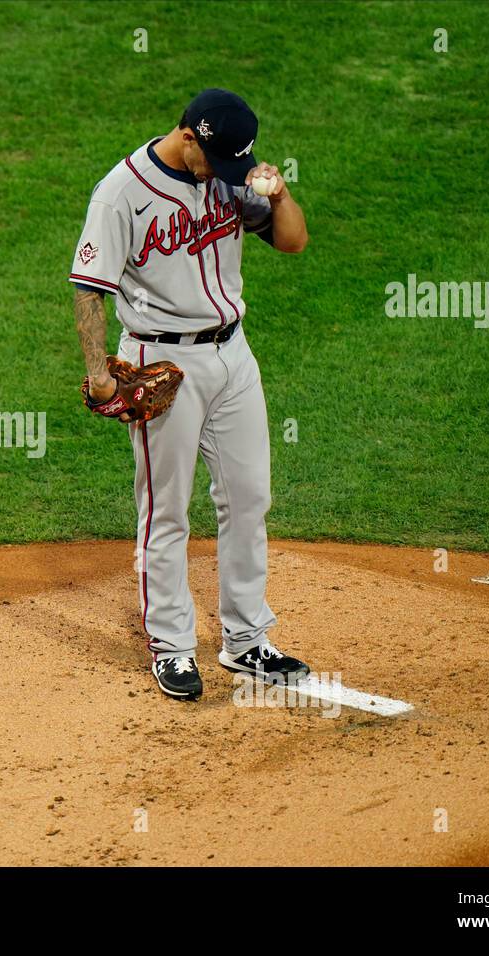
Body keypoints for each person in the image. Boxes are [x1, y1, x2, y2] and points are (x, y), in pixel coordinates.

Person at [70, 88, 311, 700]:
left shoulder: (228, 176)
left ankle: (246, 639)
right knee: (166, 510)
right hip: (162, 358)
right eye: (219, 160)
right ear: (188, 136)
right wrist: (101, 372)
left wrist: (279, 194)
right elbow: (88, 288)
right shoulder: (120, 192)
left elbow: (292, 241)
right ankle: (172, 647)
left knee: (250, 496)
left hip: (234, 355)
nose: (227, 175)